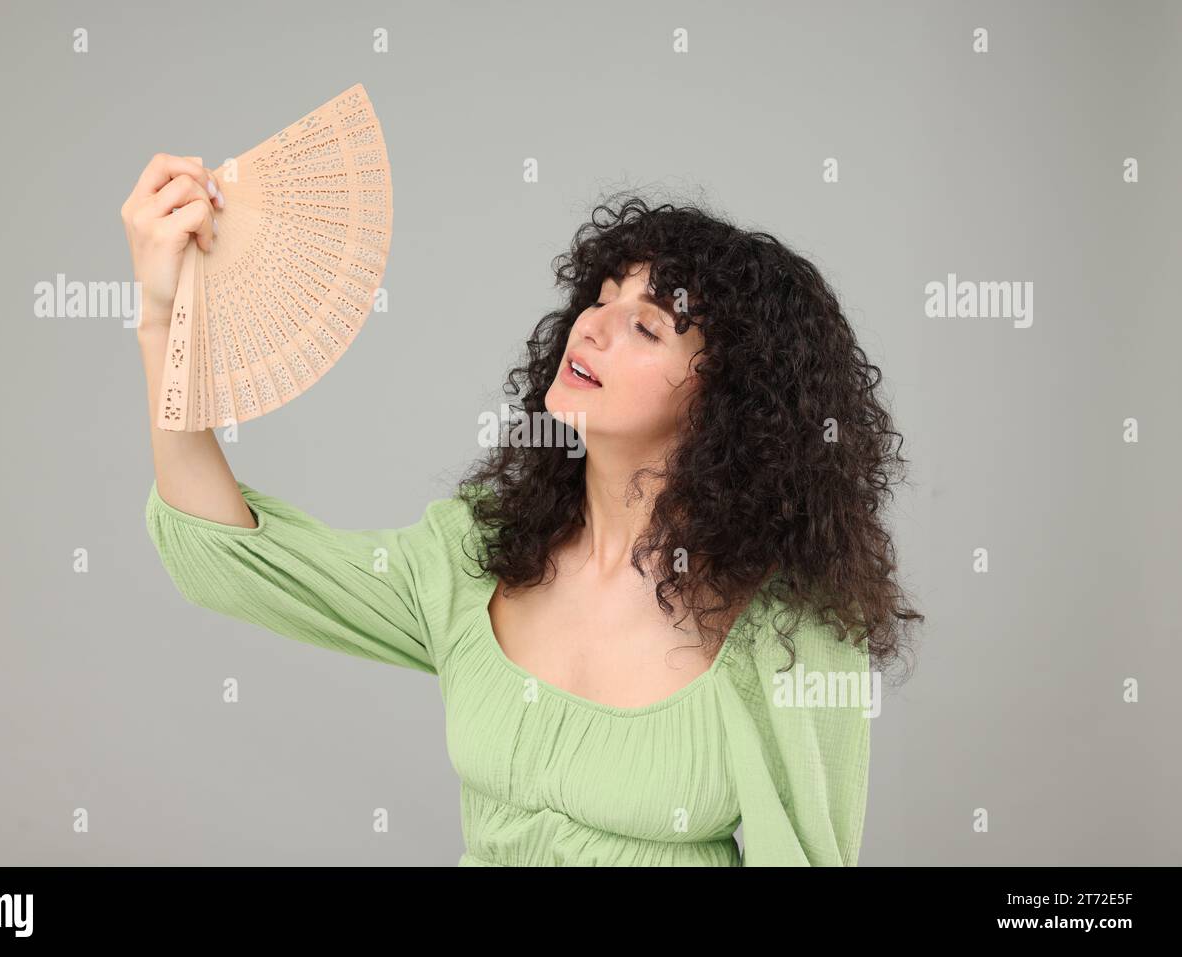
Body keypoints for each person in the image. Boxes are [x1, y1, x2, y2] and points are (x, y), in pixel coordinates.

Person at [123, 154, 923, 866]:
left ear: (729, 405)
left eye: (646, 326)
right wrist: (164, 315)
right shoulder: (480, 552)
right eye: (603, 296)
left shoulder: (786, 633)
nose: (595, 325)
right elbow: (227, 554)